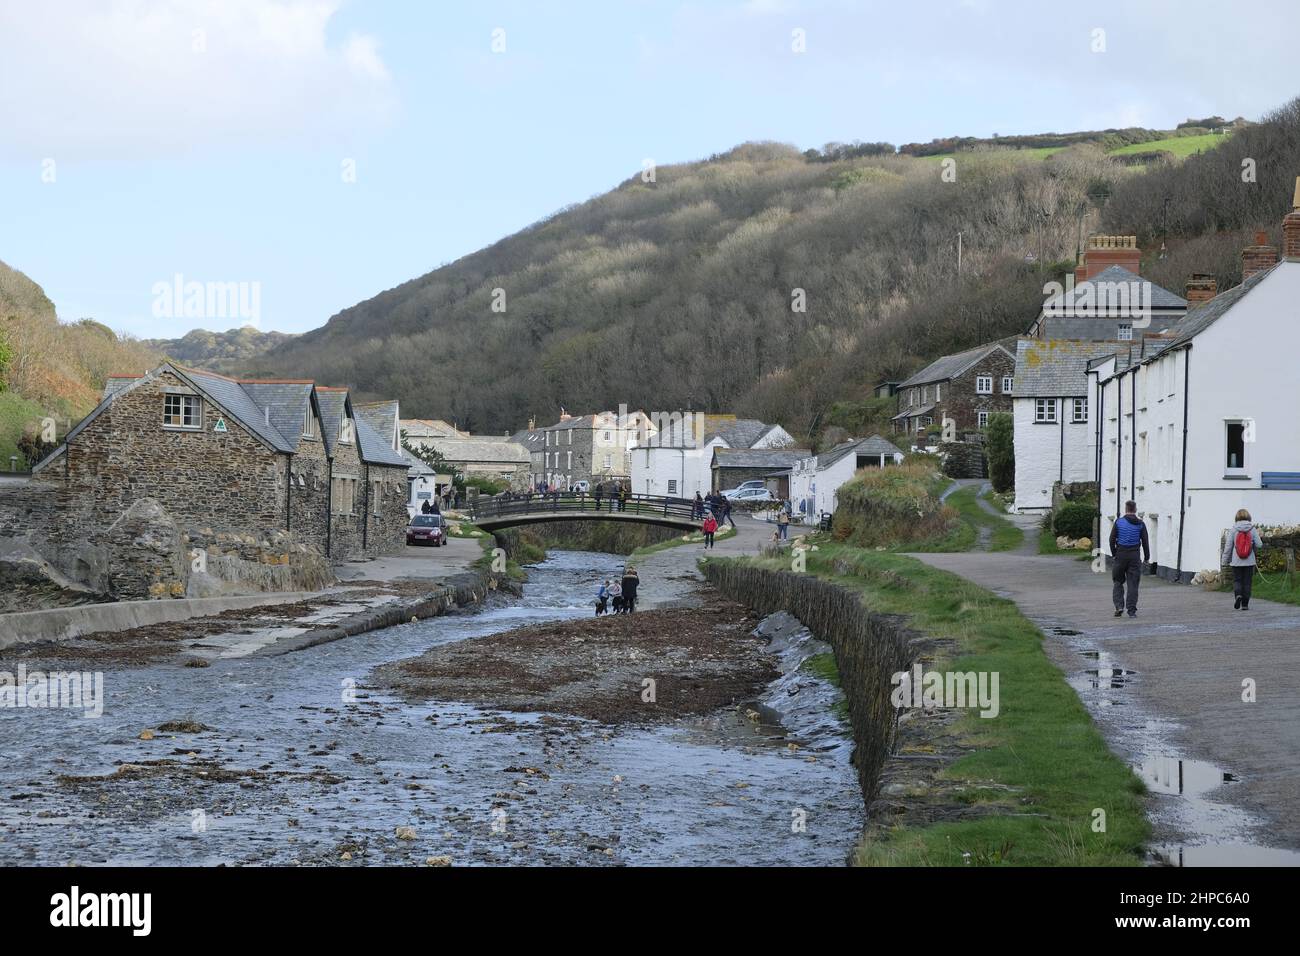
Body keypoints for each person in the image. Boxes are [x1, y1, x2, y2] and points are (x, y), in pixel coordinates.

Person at [1108, 501, 1150, 618]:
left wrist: (1114, 554)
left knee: (1118, 581)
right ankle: (1131, 611)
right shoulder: (1141, 524)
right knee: (1133, 584)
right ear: (1135, 509)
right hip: (1134, 556)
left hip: (1120, 555)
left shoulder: (1119, 522)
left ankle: (1119, 606)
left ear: (1125, 509)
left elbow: (1111, 539)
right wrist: (1147, 558)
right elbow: (1145, 542)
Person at [1222, 509, 1264, 610]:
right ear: (1248, 517)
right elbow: (1260, 544)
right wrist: (1252, 544)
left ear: (1237, 517)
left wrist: (1224, 561)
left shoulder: (1234, 529)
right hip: (1249, 561)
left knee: (1237, 580)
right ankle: (1245, 605)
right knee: (1247, 582)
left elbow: (1228, 547)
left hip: (1236, 561)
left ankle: (1238, 596)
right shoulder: (1252, 529)